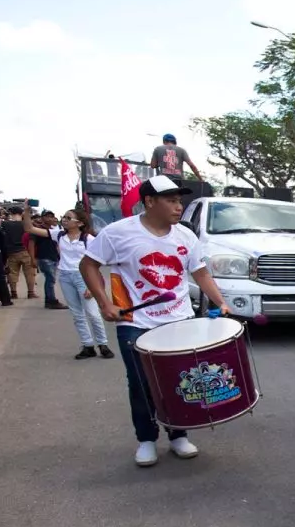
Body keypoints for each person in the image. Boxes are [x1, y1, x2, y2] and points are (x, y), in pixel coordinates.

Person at [80, 176, 229, 466]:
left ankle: (178, 435)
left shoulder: (186, 236)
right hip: (135, 321)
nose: (178, 206)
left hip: (180, 321)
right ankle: (146, 439)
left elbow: (200, 273)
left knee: (179, 380)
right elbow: (88, 264)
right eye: (171, 200)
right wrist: (105, 303)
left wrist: (220, 301)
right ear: (149, 202)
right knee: (140, 383)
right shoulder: (117, 233)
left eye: (179, 200)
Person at [55, 209, 114, 359]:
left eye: (69, 218)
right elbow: (30, 229)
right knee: (77, 314)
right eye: (64, 217)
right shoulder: (60, 235)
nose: (64, 220)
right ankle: (87, 346)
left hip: (83, 277)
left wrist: (91, 284)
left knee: (93, 313)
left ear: (80, 223)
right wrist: (27, 211)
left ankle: (103, 344)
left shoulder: (88, 239)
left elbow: (97, 261)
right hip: (65, 276)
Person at [19, 207, 67, 309]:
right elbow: (31, 244)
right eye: (47, 216)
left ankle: (50, 300)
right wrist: (33, 258)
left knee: (51, 279)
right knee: (50, 279)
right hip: (44, 257)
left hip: (53, 257)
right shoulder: (38, 230)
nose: (49, 219)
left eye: (51, 216)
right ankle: (51, 300)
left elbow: (57, 245)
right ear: (42, 218)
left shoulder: (54, 230)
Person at [0, 206, 35, 299]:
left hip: (11, 252)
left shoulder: (4, 224)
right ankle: (31, 293)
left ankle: (13, 292)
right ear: (21, 213)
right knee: (30, 273)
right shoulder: (26, 224)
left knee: (12, 273)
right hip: (25, 251)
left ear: (10, 213)